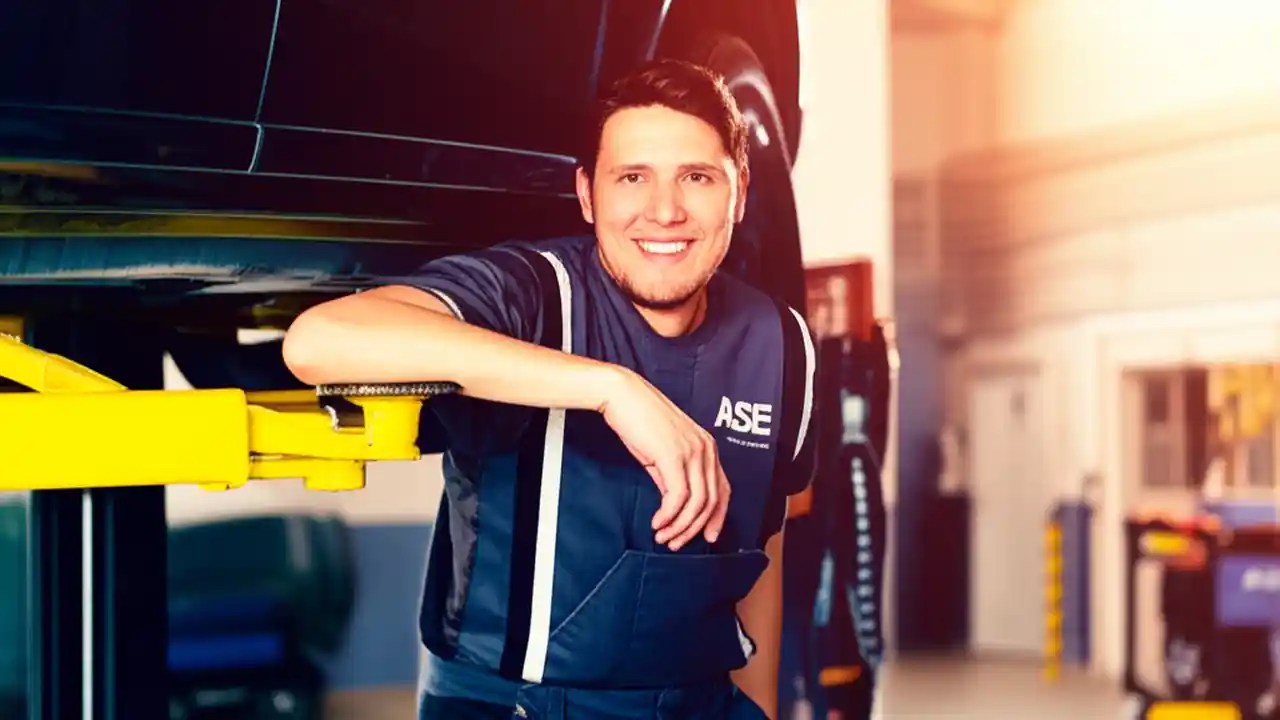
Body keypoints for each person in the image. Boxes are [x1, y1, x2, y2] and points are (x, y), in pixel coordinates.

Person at [281, 59, 818, 720]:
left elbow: (763, 550)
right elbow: (320, 339)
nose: (665, 210)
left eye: (698, 177)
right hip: (518, 705)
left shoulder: (782, 342)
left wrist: (760, 708)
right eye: (632, 178)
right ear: (589, 194)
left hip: (706, 700)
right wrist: (610, 390)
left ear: (738, 193)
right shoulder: (535, 294)